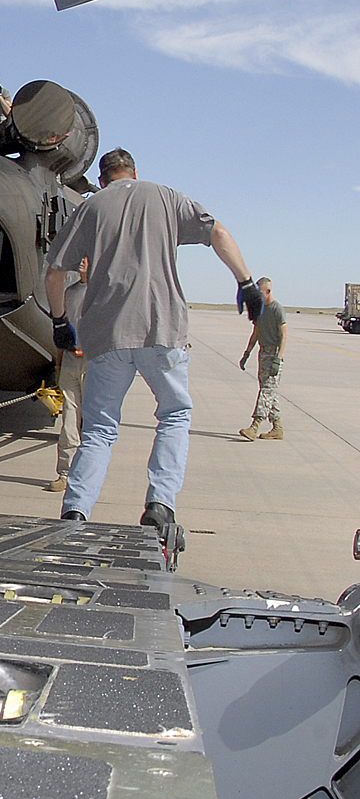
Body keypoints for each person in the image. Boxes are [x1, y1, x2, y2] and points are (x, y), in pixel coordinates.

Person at [45, 148, 259, 547]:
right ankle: (160, 504)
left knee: (99, 431)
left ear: (103, 179)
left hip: (106, 335)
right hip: (161, 328)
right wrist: (246, 282)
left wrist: (60, 322)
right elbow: (218, 234)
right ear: (134, 173)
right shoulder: (165, 196)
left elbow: (56, 273)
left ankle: (76, 510)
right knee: (175, 415)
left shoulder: (91, 208)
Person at [48, 255, 89, 493]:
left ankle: (87, 476)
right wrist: (59, 364)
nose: (82, 263)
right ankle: (65, 473)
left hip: (96, 364)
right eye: (80, 259)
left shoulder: (105, 293)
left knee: (92, 422)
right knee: (69, 421)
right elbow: (60, 329)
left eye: (87, 259)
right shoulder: (69, 293)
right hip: (72, 360)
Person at [239, 277, 287, 441]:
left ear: (268, 291)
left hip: (274, 354)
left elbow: (284, 335)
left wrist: (278, 359)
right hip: (263, 353)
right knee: (269, 392)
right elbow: (256, 333)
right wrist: (247, 353)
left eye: (260, 292)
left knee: (267, 390)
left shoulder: (277, 309)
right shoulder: (260, 309)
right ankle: (277, 428)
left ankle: (255, 425)